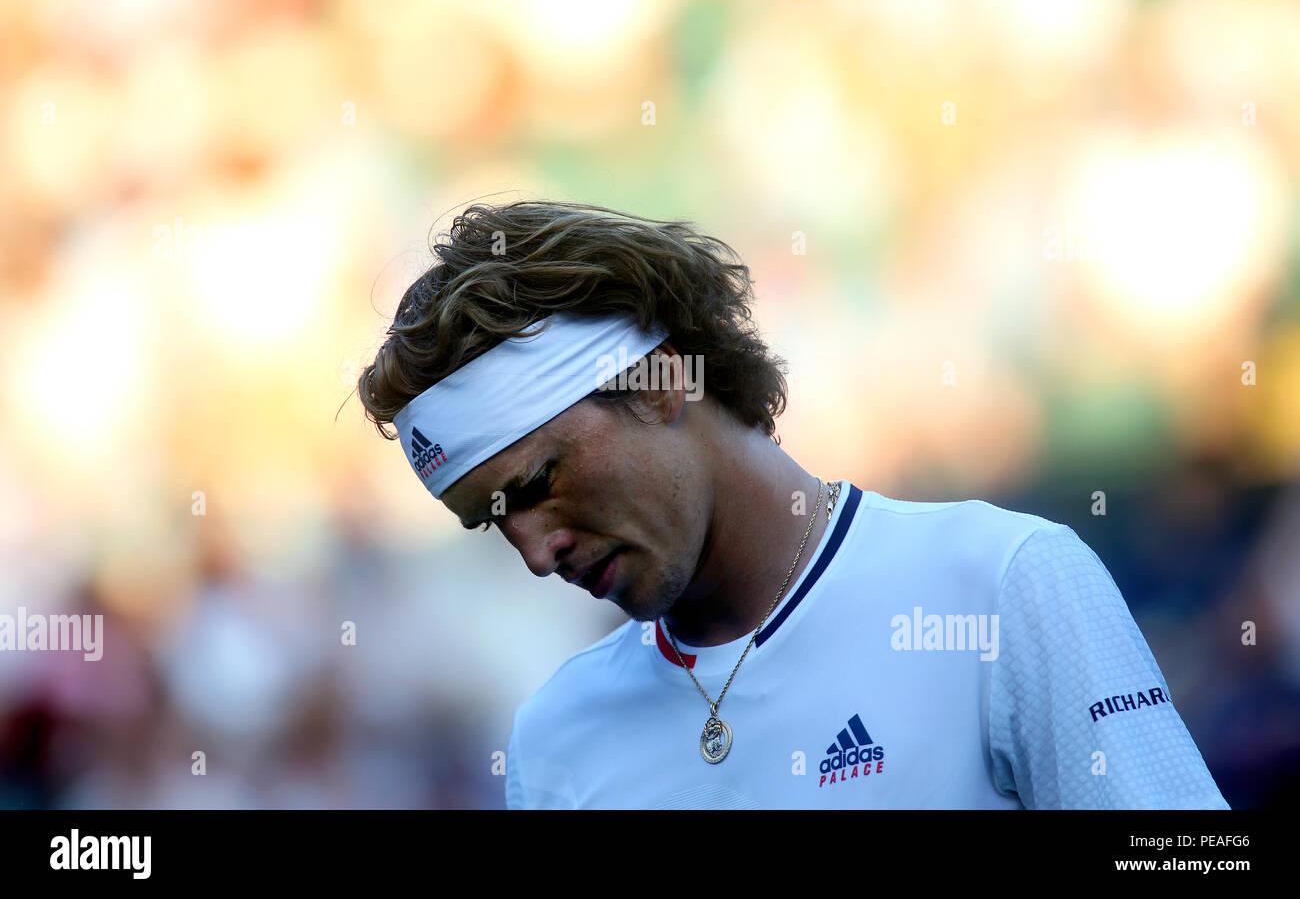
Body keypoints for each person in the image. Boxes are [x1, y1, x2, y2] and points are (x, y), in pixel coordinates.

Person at [357, 199, 1230, 809]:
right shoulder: (554, 738)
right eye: (493, 520)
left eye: (539, 483)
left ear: (661, 382)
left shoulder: (1003, 583)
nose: (535, 551)